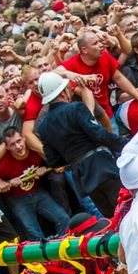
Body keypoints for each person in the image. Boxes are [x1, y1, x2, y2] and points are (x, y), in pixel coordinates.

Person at [34, 73, 127, 217]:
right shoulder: (76, 108)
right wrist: (125, 144)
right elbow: (99, 135)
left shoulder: (43, 127)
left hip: (82, 176)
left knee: (112, 219)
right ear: (63, 92)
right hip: (102, 166)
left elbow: (54, 161)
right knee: (127, 209)